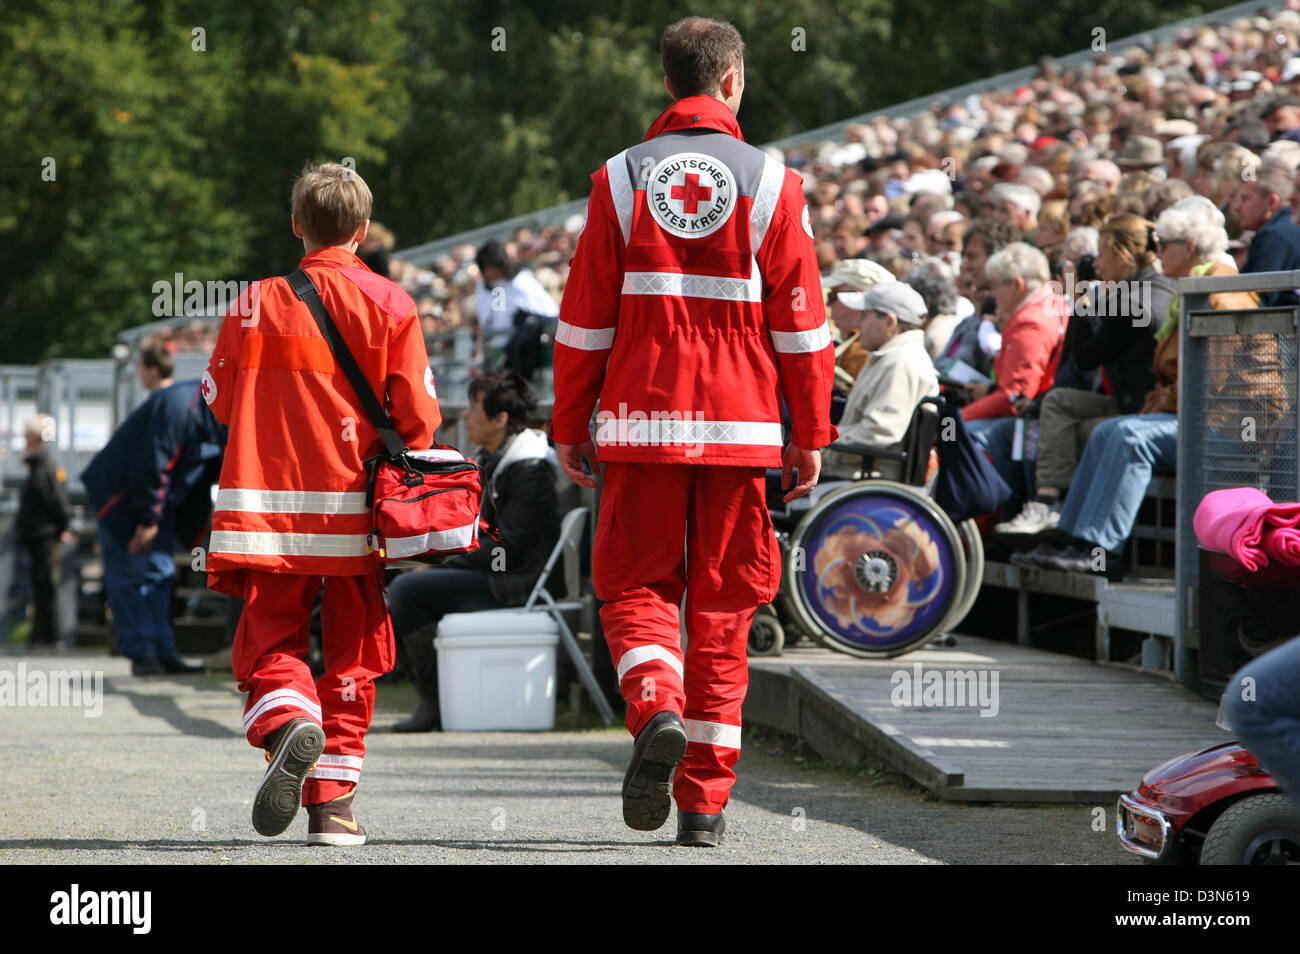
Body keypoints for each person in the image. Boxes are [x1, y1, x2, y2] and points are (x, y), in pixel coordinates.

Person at [550, 17, 836, 847]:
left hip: (639, 422)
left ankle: (655, 708)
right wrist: (809, 429)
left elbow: (583, 321)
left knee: (635, 590)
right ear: (734, 80)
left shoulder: (616, 180)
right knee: (723, 609)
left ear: (669, 81)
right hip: (742, 429)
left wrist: (571, 423)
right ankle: (705, 806)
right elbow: (804, 327)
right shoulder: (776, 183)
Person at [202, 162, 440, 846]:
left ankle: (287, 722)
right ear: (363, 231)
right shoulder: (394, 304)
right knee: (354, 655)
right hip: (354, 519)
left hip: (264, 513)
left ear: (297, 225)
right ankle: (333, 810)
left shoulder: (253, 303)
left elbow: (217, 409)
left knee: (268, 642)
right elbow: (419, 424)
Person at [1015, 197, 1259, 574]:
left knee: (1129, 435)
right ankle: (1072, 538)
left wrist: (1152, 408)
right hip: (1191, 413)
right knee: (1106, 432)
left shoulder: (1218, 293)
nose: (1157, 254)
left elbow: (1212, 383)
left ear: (1188, 248)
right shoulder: (1190, 292)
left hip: (1227, 425)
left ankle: (1102, 551)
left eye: (1163, 246)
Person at [386, 370, 562, 732]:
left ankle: (434, 701)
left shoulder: (531, 467)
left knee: (408, 590)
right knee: (389, 568)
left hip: (513, 584)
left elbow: (505, 551)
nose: (465, 415)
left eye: (473, 408)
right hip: (494, 573)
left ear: (500, 419)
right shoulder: (498, 457)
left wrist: (439, 561)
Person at [995, 214, 1175, 535]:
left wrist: (1078, 300)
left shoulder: (1129, 299)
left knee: (1072, 427)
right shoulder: (1163, 285)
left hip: (1143, 407)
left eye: (1102, 256)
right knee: (1060, 402)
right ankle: (1050, 503)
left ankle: (1053, 508)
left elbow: (1086, 358)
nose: (1098, 265)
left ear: (1122, 255)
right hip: (1140, 401)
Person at [81, 340, 223, 675]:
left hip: (156, 506)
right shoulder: (179, 406)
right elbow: (152, 466)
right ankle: (141, 653)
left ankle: (162, 649)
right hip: (123, 499)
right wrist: (147, 519)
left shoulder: (212, 413)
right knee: (131, 576)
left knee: (158, 575)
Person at [826, 282, 939, 480]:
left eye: (864, 316)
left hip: (863, 475)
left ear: (889, 323)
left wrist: (822, 444)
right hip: (852, 469)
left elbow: (878, 431)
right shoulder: (890, 357)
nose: (858, 325)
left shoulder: (901, 363)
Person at [15, 415, 70, 648]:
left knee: (44, 583)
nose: (23, 439)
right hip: (42, 533)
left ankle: (48, 635)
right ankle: (43, 634)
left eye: (27, 434)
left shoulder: (41, 465)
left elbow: (54, 499)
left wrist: (61, 525)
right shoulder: (44, 464)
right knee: (42, 583)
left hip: (41, 534)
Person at [1232, 165, 1300, 306]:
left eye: (1245, 199)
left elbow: (1253, 303)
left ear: (1272, 202)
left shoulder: (1276, 237)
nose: (1237, 207)